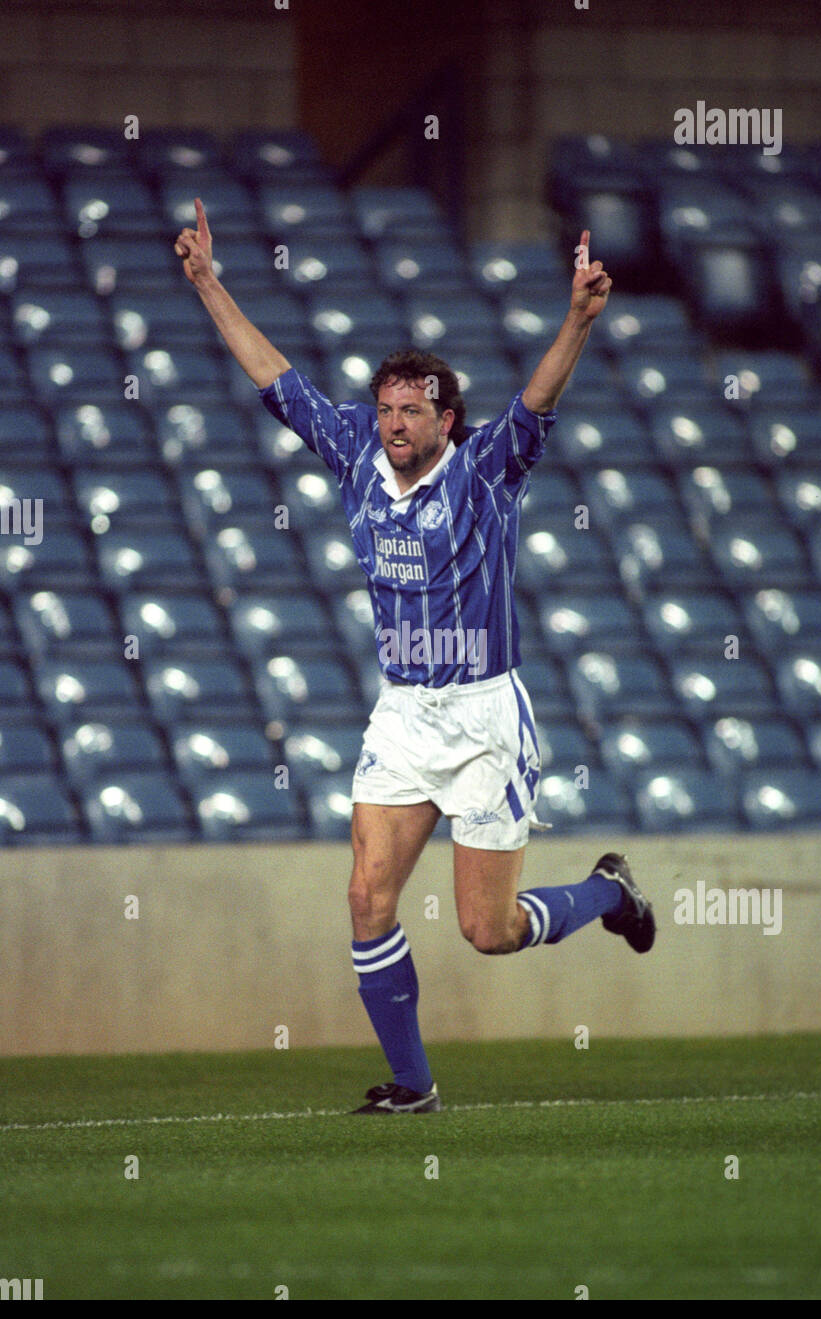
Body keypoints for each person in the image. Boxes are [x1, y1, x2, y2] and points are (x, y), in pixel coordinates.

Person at [176, 198, 655, 1115]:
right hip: (404, 713)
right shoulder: (355, 453)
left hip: (482, 719)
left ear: (446, 417)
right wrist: (208, 282)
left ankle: (606, 893)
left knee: (488, 929)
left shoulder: (486, 470)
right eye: (386, 407)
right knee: (366, 898)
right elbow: (275, 377)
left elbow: (538, 398)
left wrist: (577, 322)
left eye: (412, 409)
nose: (394, 422)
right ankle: (413, 1084)